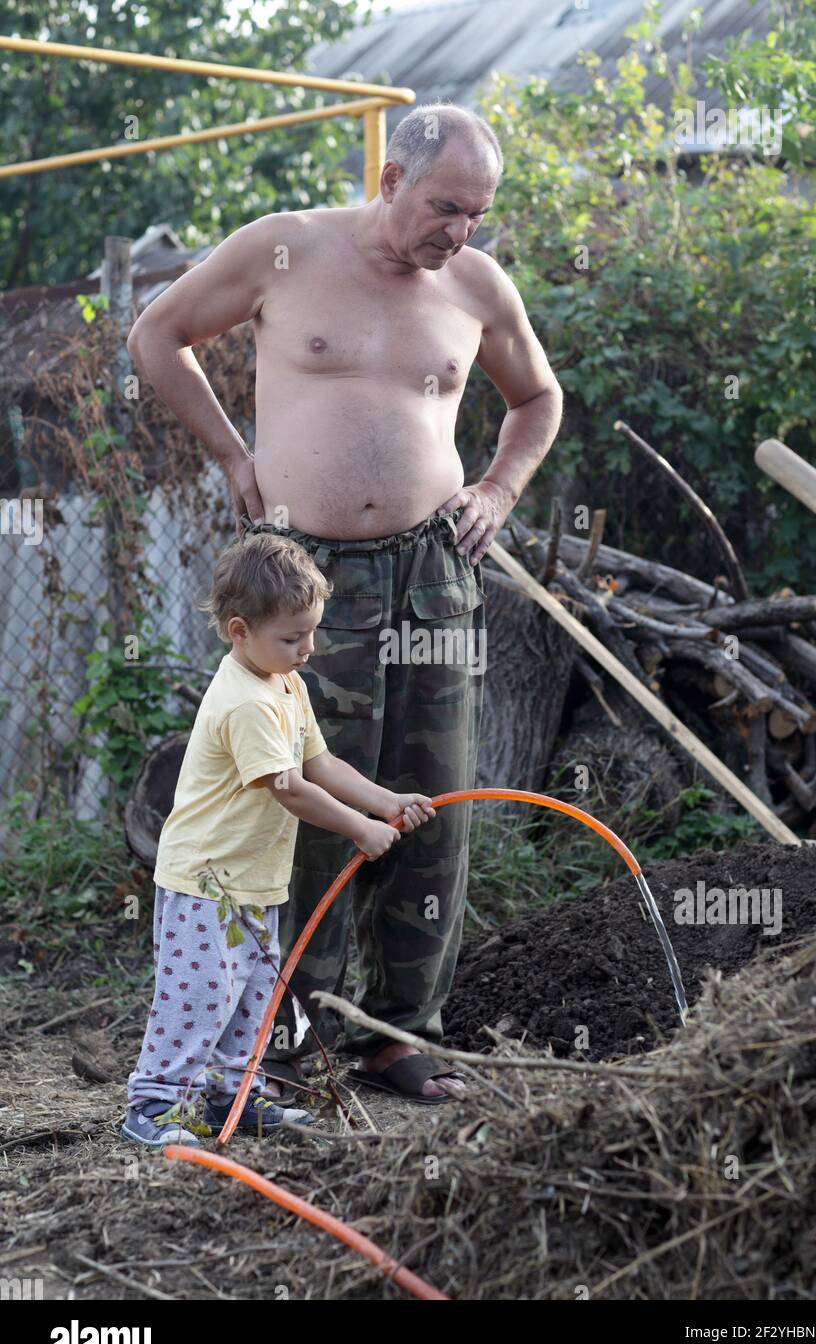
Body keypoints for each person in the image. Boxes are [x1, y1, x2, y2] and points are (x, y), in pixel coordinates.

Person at [127, 101, 563, 1102]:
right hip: (305, 579)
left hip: (431, 572)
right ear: (389, 179)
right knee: (310, 804)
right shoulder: (286, 249)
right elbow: (159, 335)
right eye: (445, 206)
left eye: (475, 213)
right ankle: (290, 1035)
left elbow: (537, 399)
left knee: (432, 802)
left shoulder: (475, 285)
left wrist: (496, 486)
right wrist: (232, 454)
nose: (457, 231)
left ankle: (399, 1033)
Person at [122, 532, 436, 1146]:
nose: (308, 650)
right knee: (203, 995)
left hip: (254, 883)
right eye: (292, 638)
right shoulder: (245, 702)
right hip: (205, 884)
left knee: (252, 999)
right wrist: (360, 831)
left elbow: (320, 764)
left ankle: (230, 1096)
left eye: (311, 633)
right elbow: (290, 789)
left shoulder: (284, 684)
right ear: (239, 630)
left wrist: (385, 802)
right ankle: (154, 1103)